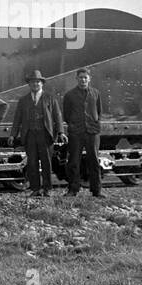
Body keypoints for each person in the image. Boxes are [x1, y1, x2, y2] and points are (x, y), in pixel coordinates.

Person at [9, 69, 66, 196]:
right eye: (33, 82)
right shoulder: (23, 100)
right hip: (29, 135)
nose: (35, 84)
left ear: (42, 84)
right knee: (32, 163)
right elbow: (17, 118)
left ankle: (47, 189)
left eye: (38, 82)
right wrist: (13, 134)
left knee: (46, 162)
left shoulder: (50, 98)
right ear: (29, 84)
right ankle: (35, 189)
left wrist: (61, 132)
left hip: (45, 135)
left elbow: (57, 116)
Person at [62, 68, 103, 196]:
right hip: (76, 132)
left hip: (92, 132)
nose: (83, 80)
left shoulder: (95, 93)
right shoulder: (69, 95)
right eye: (80, 77)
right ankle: (73, 189)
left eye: (85, 77)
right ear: (77, 79)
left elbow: (99, 111)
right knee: (74, 161)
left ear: (89, 79)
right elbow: (66, 115)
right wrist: (74, 125)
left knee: (94, 161)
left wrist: (95, 123)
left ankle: (96, 190)